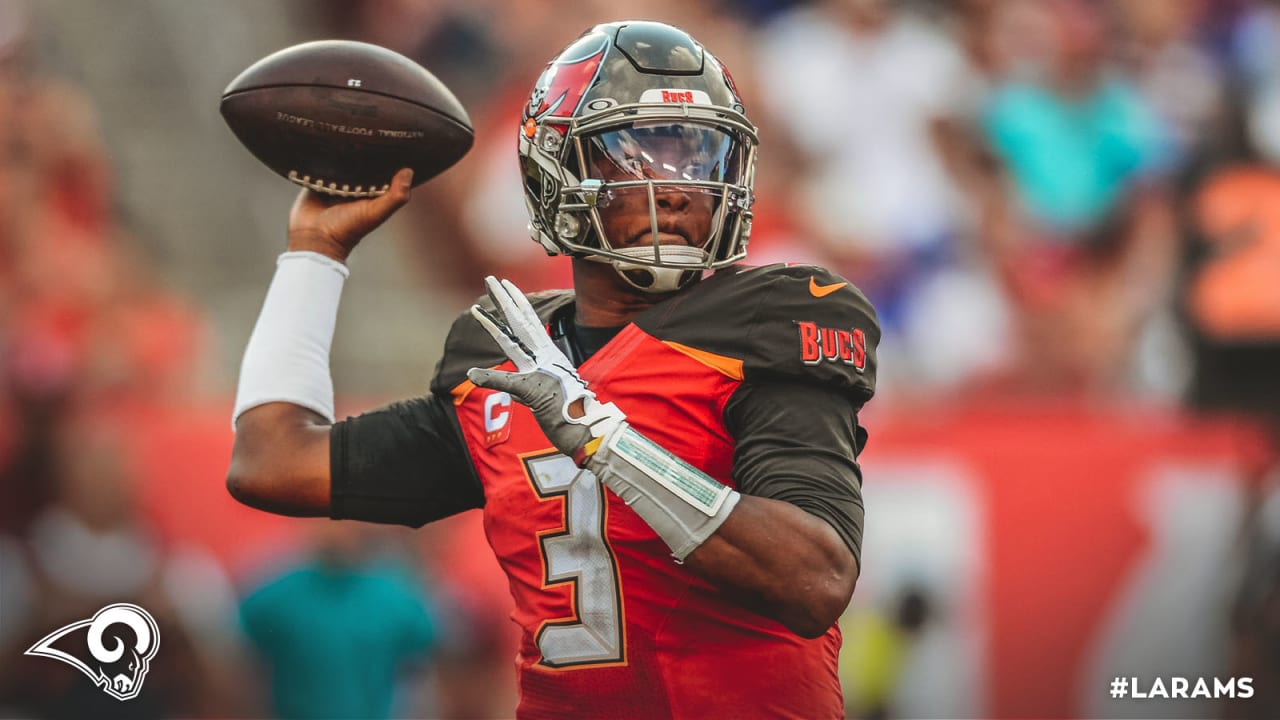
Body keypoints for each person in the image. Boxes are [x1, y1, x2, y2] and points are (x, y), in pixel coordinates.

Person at [227, 20, 879, 719]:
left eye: (701, 155)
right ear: (557, 172)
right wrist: (313, 254)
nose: (683, 185)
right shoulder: (506, 354)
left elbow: (815, 580)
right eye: (641, 153)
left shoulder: (768, 320)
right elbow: (272, 463)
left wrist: (604, 441)